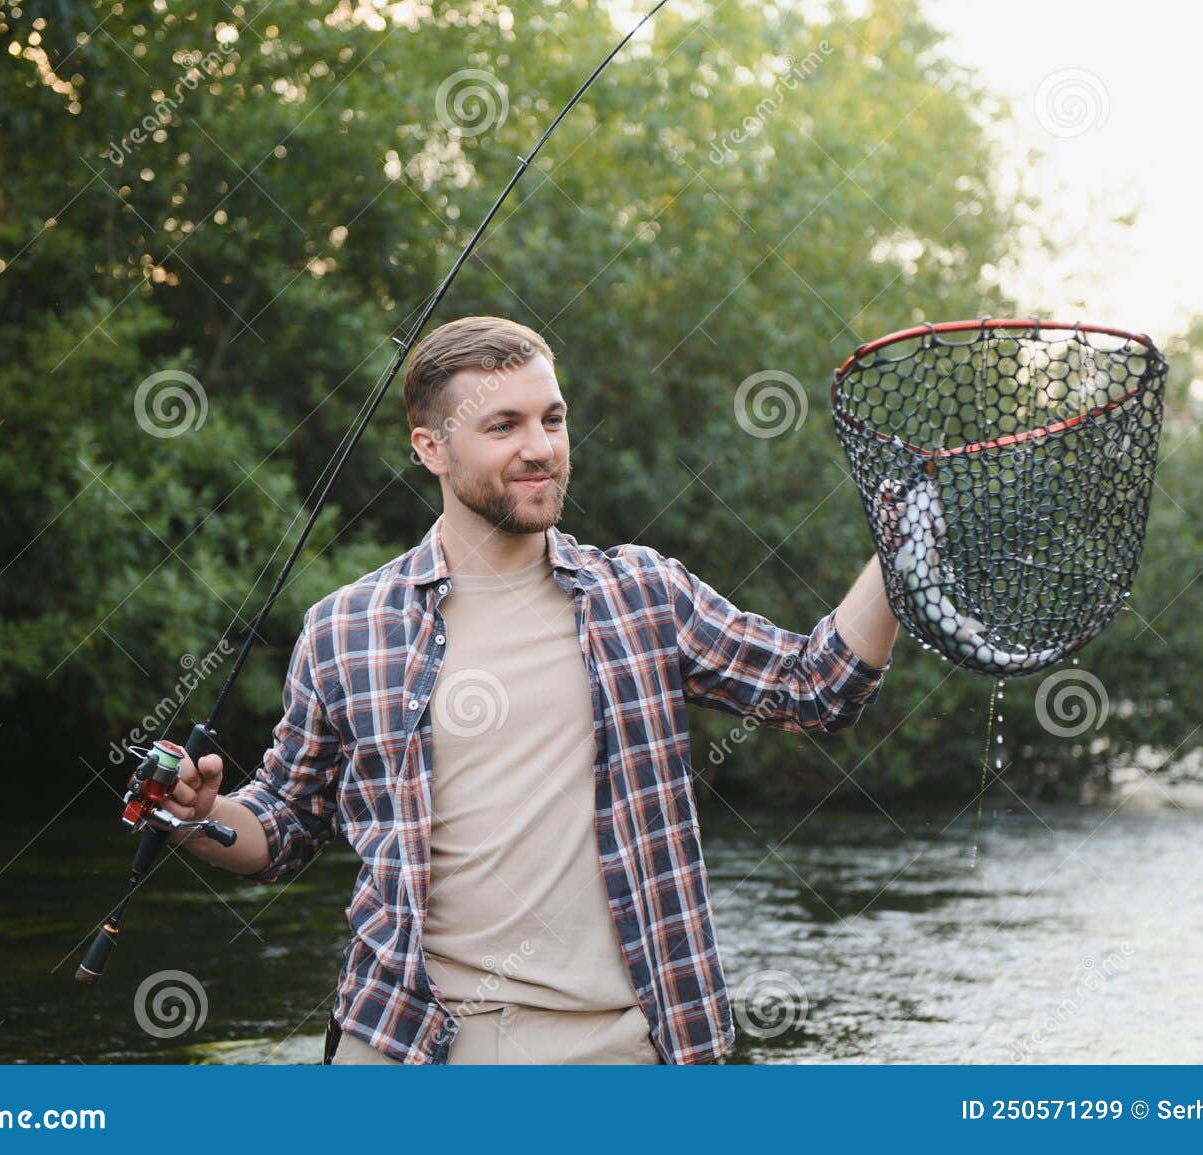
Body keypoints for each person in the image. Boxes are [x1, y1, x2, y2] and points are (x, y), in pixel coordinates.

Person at [165, 316, 899, 1064]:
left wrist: (898, 550)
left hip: (620, 1050)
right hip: (402, 1046)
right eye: (504, 425)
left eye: (552, 419)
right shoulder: (346, 628)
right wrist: (198, 815)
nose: (540, 448)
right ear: (432, 449)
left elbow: (818, 686)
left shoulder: (642, 594)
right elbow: (284, 826)